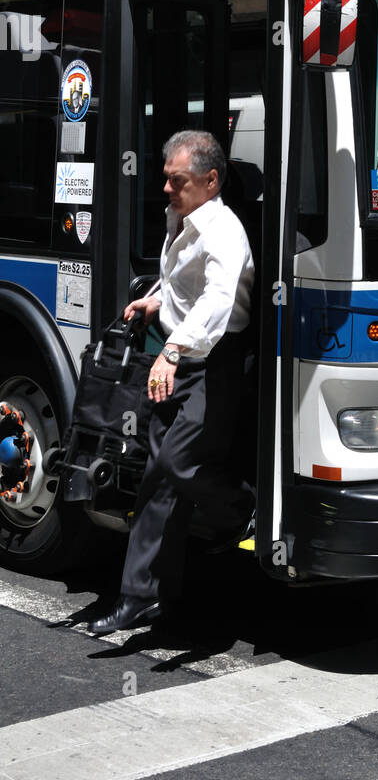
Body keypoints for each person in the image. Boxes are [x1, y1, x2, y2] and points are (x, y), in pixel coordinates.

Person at [88, 130, 256, 636]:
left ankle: (244, 507)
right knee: (159, 476)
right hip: (181, 357)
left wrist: (172, 350)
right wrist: (156, 300)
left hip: (213, 362)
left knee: (175, 465)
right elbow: (187, 285)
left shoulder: (223, 231)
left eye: (175, 180)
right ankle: (144, 597)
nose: (165, 188)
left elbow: (217, 302)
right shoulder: (182, 220)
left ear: (209, 180)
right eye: (165, 178)